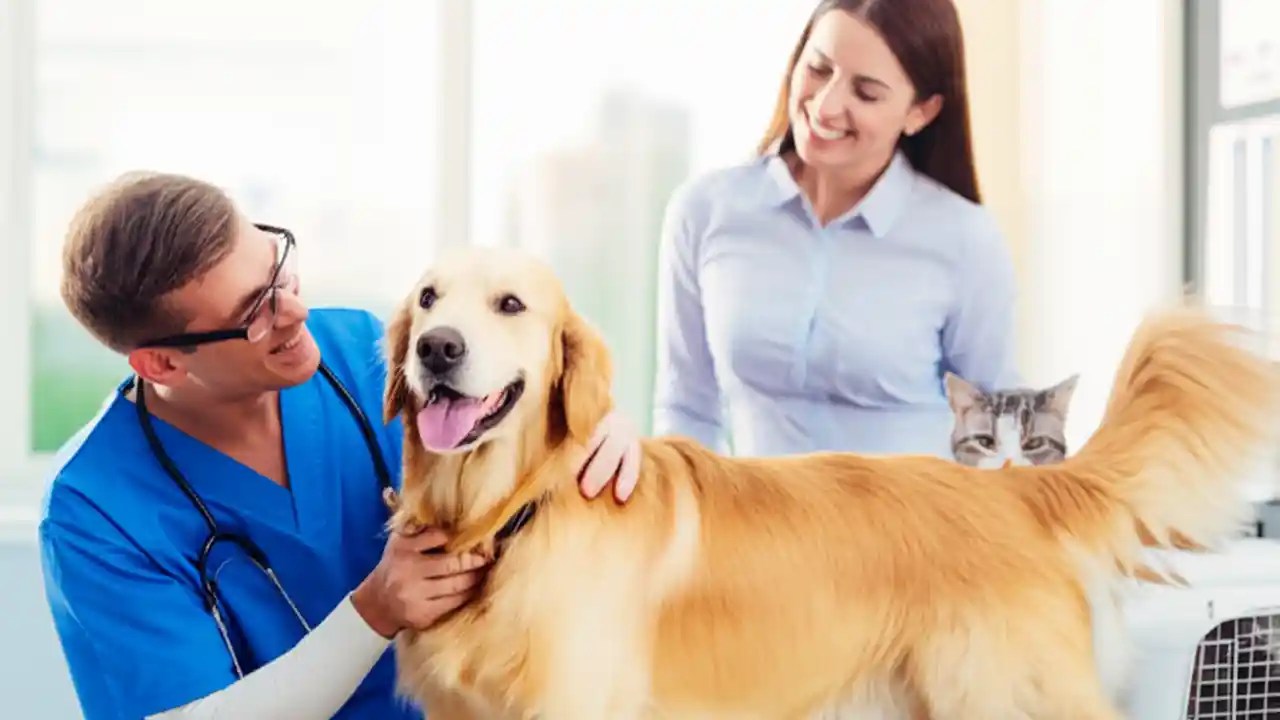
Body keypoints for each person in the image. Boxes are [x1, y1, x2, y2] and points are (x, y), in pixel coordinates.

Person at [38, 171, 644, 720]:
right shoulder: (95, 510)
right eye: (255, 312)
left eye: (277, 265)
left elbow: (519, 426)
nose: (295, 310)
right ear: (163, 363)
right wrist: (374, 612)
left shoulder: (359, 350)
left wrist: (594, 423)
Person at [652, 0, 1020, 458]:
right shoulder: (705, 211)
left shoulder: (965, 239)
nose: (826, 106)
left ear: (921, 112)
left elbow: (1001, 432)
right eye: (819, 69)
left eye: (866, 93)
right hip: (750, 525)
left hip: (909, 526)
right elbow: (686, 409)